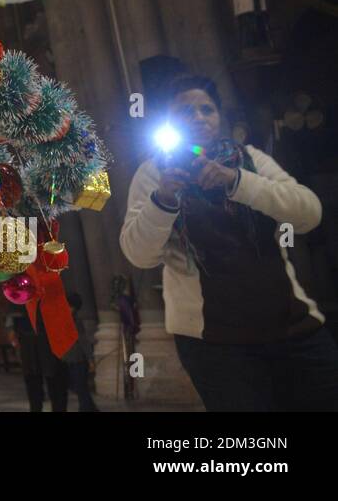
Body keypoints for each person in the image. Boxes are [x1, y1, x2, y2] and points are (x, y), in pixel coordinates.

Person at [120, 73, 338, 411]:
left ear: (219, 117)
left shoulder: (249, 159)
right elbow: (139, 254)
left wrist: (238, 182)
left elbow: (309, 213)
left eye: (206, 110)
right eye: (185, 113)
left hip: (293, 326)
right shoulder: (153, 173)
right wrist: (162, 199)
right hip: (217, 343)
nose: (198, 118)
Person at [60, 293, 98, 411]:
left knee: (81, 388)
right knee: (79, 388)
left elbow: (83, 341)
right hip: (68, 359)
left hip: (78, 359)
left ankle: (85, 408)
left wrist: (90, 359)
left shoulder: (76, 321)